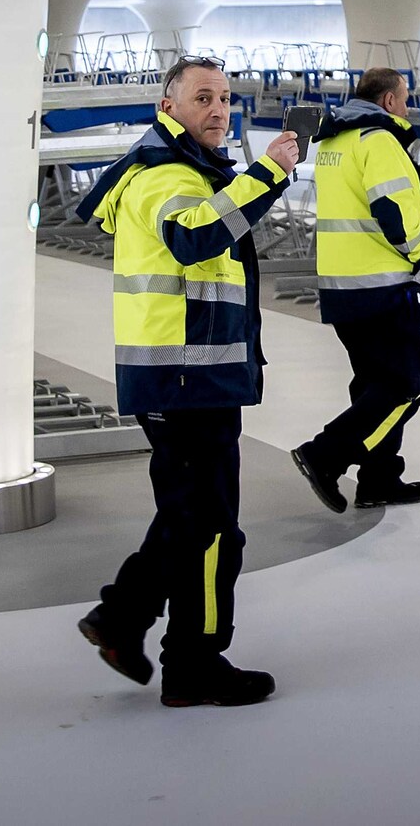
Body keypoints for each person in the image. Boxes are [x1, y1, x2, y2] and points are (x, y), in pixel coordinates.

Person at [74, 56, 301, 707]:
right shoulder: (165, 175)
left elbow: (218, 227)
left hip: (192, 372)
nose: (220, 108)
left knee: (187, 515)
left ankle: (121, 619)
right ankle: (193, 663)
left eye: (226, 97)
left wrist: (266, 179)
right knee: (209, 529)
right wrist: (270, 171)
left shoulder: (190, 171)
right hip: (182, 375)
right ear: (168, 107)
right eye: (203, 96)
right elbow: (195, 237)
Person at [291, 67, 420, 512]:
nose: (407, 108)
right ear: (388, 101)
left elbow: (378, 193)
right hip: (384, 287)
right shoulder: (379, 140)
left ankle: (380, 478)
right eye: (405, 99)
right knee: (406, 385)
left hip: (344, 287)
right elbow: (394, 212)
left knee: (374, 385)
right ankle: (324, 455)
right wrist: (419, 256)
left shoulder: (336, 140)